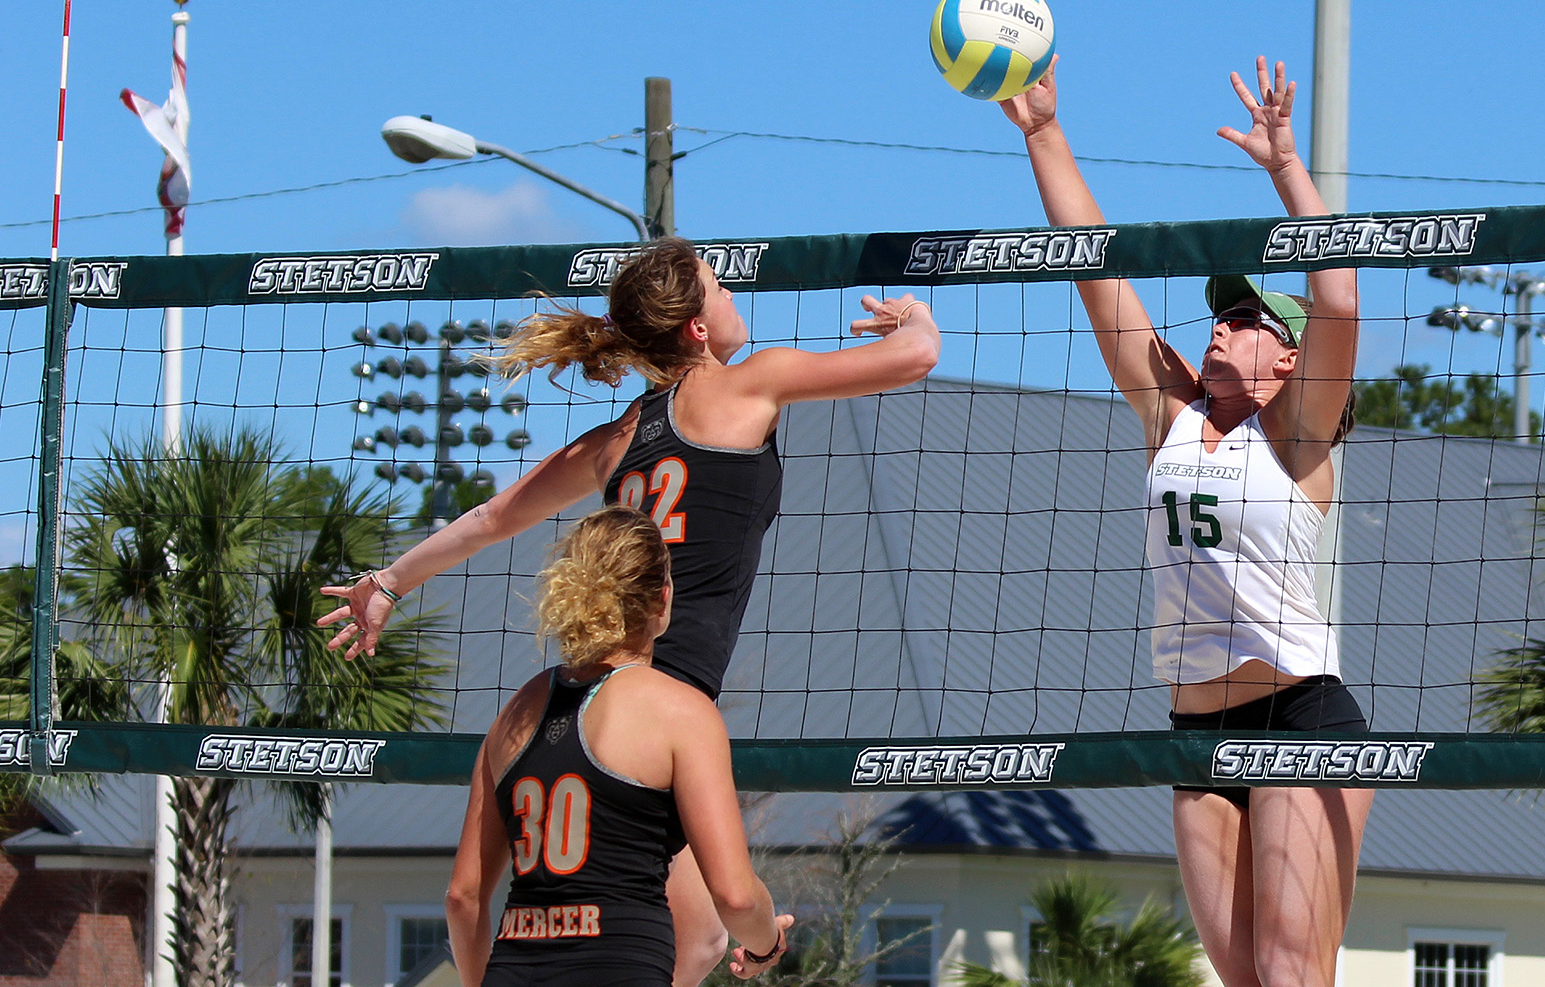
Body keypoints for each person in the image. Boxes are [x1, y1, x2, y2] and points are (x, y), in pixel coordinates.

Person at [322, 237, 940, 984]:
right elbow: (917, 358)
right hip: (660, 709)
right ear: (698, 330)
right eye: (722, 289)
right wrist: (910, 311)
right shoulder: (752, 383)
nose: (736, 297)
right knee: (700, 934)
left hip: (583, 689)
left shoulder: (617, 439)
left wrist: (390, 580)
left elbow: (491, 517)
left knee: (693, 935)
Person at [1001, 56, 1368, 987]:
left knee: (1292, 972)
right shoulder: (1177, 418)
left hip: (1302, 717)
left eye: (1245, 318)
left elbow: (1340, 298)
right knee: (1242, 978)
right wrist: (1045, 132)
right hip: (1196, 727)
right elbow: (1097, 274)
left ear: (1290, 360)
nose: (1219, 325)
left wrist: (1286, 167)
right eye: (1221, 312)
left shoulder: (1299, 434)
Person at [446, 505, 793, 987]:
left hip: (514, 968)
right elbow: (736, 897)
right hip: (621, 965)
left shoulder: (516, 711)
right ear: (662, 599)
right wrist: (766, 943)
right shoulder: (681, 712)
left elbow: (463, 897)